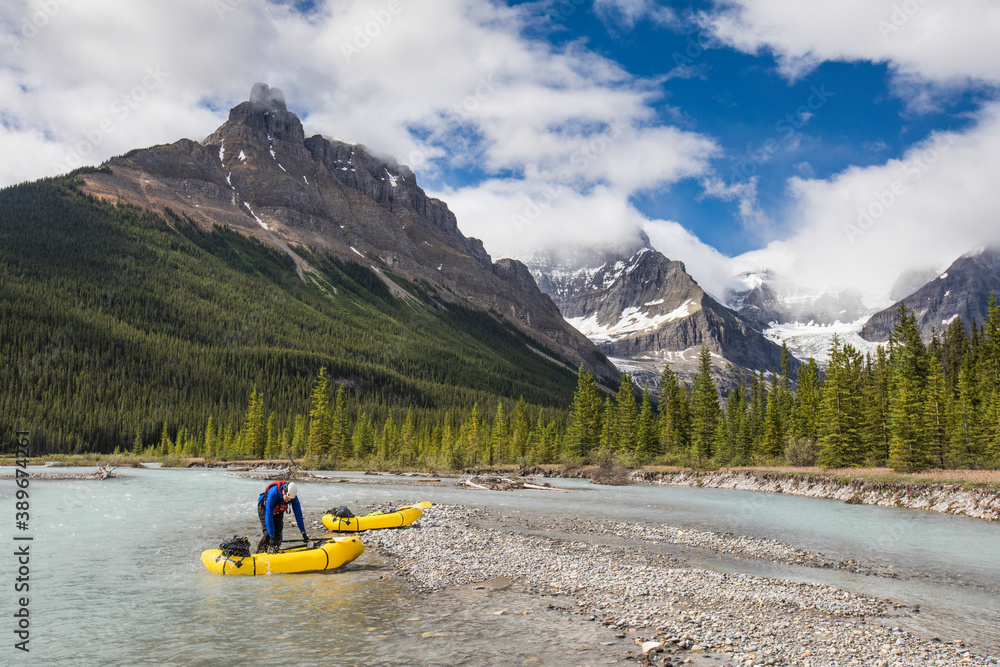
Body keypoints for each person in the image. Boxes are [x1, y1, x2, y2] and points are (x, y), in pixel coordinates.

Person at [256, 480, 309, 553]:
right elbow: (269, 515)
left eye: (290, 499)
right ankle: (259, 553)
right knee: (268, 534)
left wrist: (303, 532)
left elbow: (298, 514)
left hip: (278, 509)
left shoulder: (292, 496)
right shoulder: (273, 494)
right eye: (287, 499)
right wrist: (271, 535)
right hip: (265, 508)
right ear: (283, 492)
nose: (288, 501)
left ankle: (274, 552)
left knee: (278, 535)